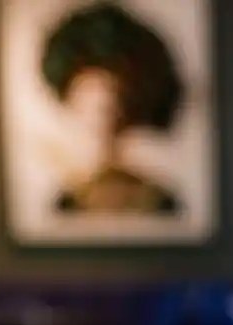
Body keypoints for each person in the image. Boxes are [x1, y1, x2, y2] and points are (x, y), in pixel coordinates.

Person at [41, 1, 183, 215]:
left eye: (110, 104)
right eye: (92, 106)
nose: (102, 117)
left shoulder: (157, 200)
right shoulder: (67, 202)